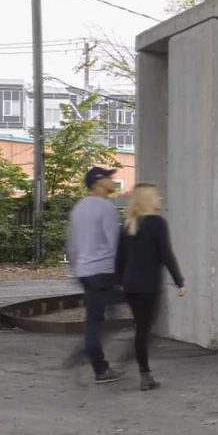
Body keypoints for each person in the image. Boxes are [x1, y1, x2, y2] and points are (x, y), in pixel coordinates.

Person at [114, 183, 186, 391]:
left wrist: (119, 283)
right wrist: (179, 281)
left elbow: (118, 259)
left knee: (141, 329)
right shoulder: (157, 223)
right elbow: (166, 255)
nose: (160, 199)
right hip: (148, 286)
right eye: (156, 196)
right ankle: (144, 375)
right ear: (147, 199)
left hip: (130, 286)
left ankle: (144, 372)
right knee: (145, 331)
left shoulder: (127, 224)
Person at [65, 165, 124, 385]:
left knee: (99, 316)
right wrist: (121, 274)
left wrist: (76, 269)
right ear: (99, 182)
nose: (112, 181)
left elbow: (72, 244)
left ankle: (89, 352)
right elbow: (114, 243)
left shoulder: (79, 207)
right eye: (109, 178)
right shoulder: (106, 207)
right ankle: (97, 365)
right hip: (102, 271)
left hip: (85, 271)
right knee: (99, 320)